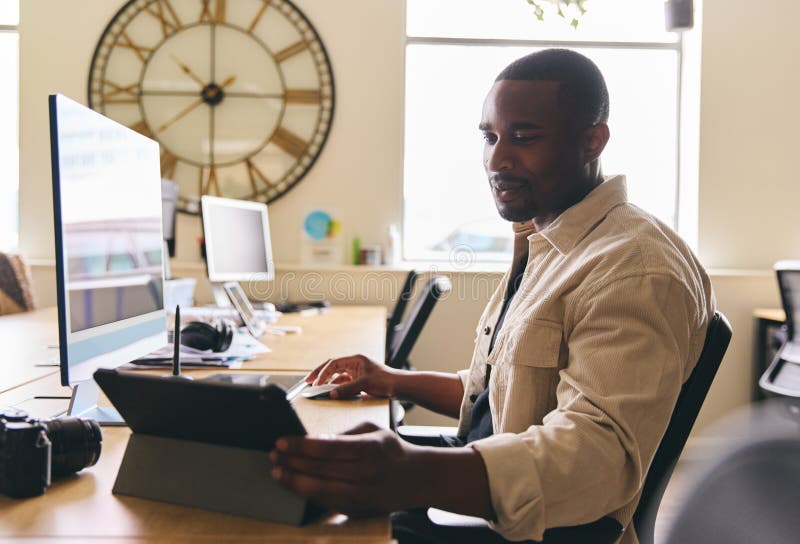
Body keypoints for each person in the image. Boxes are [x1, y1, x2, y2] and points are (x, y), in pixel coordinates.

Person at [269, 49, 715, 544]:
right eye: (490, 137)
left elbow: (599, 457)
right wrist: (390, 379)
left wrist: (414, 471)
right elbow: (501, 396)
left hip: (530, 530)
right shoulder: (548, 238)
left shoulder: (634, 268)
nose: (498, 159)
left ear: (593, 140)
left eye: (523, 138)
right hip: (483, 499)